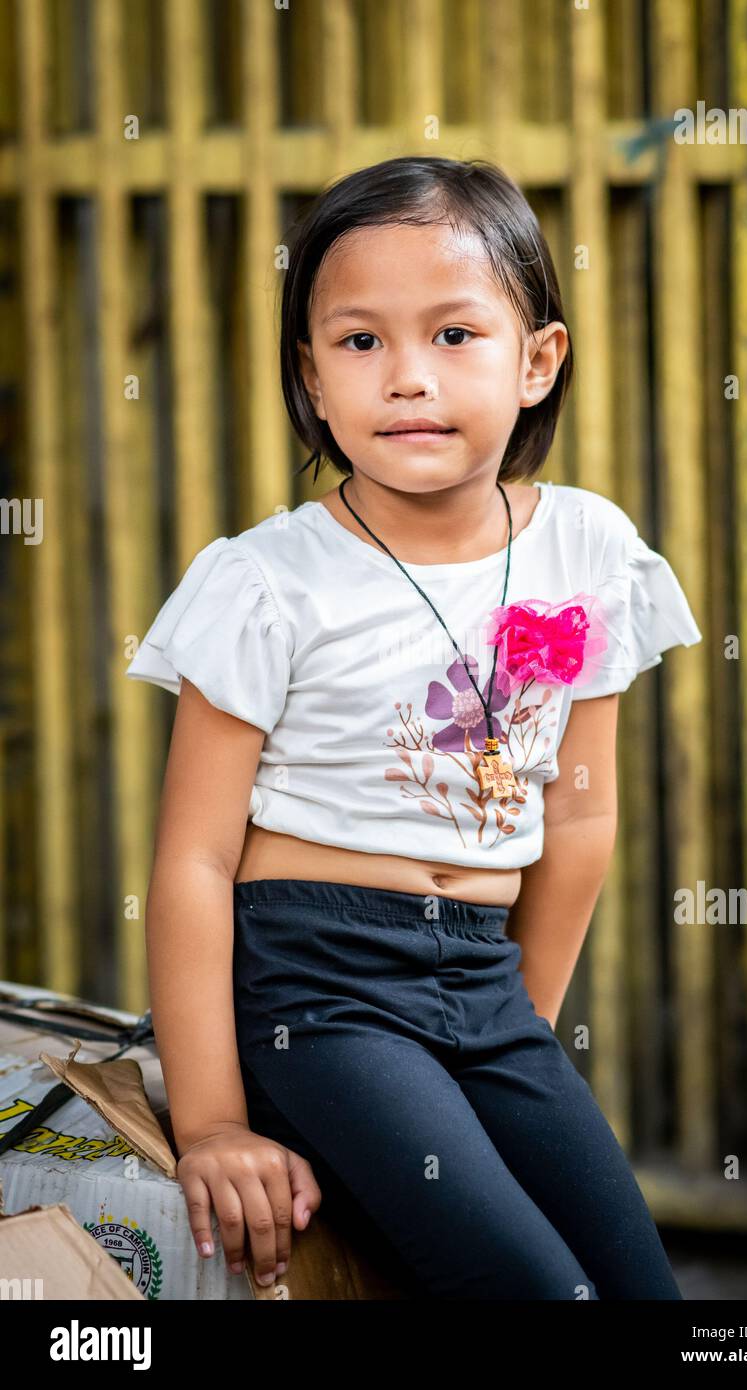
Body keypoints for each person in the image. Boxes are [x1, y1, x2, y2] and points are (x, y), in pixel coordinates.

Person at [126, 155, 702, 1300]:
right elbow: (192, 857)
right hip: (316, 988)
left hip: (488, 989)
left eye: (452, 335)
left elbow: (577, 818)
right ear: (311, 374)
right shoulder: (267, 580)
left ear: (536, 360)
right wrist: (214, 1124)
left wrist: (514, 1041)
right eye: (358, 342)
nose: (404, 379)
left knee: (642, 1292)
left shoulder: (583, 554)